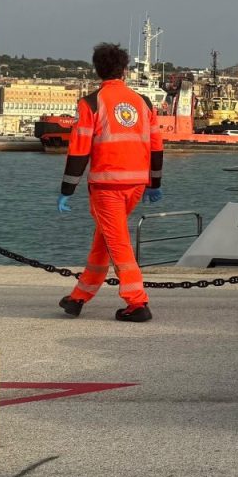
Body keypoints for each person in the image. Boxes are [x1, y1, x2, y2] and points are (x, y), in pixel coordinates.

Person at [56, 42, 165, 322]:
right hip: (136, 186)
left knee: (118, 244)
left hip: (107, 187)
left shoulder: (91, 102)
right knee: (104, 240)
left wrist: (67, 189)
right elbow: (156, 146)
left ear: (96, 70)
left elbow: (79, 148)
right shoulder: (144, 103)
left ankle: (137, 302)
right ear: (125, 71)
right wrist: (155, 183)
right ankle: (79, 297)